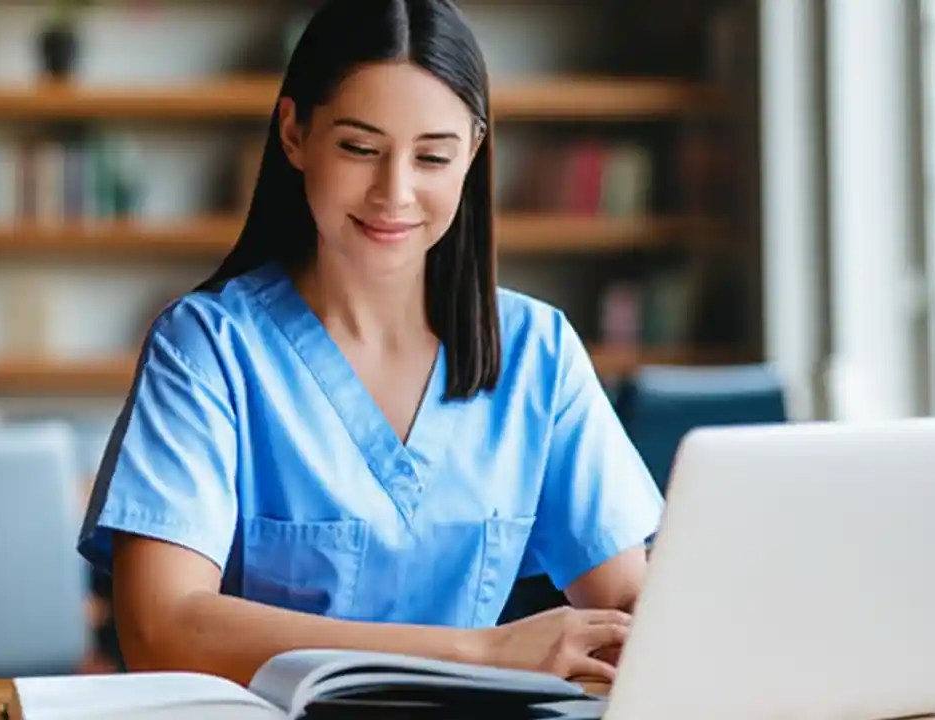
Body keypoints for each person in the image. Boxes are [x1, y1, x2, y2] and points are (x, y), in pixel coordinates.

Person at [78, 0, 663, 688]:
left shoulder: (539, 354)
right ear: (294, 134)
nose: (395, 192)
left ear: (472, 152)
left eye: (433, 156)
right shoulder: (207, 348)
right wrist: (480, 654)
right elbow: (161, 628)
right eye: (360, 148)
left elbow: (631, 613)